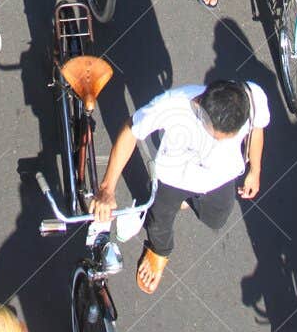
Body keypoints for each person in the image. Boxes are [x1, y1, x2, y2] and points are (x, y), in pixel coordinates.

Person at [93, 77, 267, 292]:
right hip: (174, 178)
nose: (219, 142)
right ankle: (160, 251)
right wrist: (107, 189)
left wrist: (255, 170)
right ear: (201, 108)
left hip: (220, 179)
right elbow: (131, 129)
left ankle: (185, 202)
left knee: (216, 220)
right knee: (159, 222)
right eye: (216, 136)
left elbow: (257, 129)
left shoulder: (253, 97)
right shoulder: (171, 105)